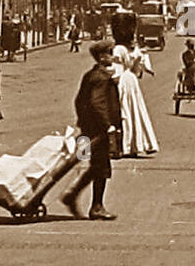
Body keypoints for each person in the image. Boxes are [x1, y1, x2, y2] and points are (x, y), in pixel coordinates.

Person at [59, 40, 121, 220]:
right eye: (110, 53)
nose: (112, 56)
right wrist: (107, 125)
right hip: (99, 131)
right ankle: (95, 206)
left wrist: (83, 122)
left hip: (89, 128)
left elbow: (79, 101)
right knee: (100, 167)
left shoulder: (90, 75)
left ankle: (77, 197)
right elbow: (97, 102)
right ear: (102, 57)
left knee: (96, 166)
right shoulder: (100, 78)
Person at [111, 39, 158, 156]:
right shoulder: (137, 51)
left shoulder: (118, 49)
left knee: (125, 112)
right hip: (132, 80)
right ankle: (137, 144)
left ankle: (125, 146)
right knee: (136, 112)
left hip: (122, 80)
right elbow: (138, 70)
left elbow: (116, 71)